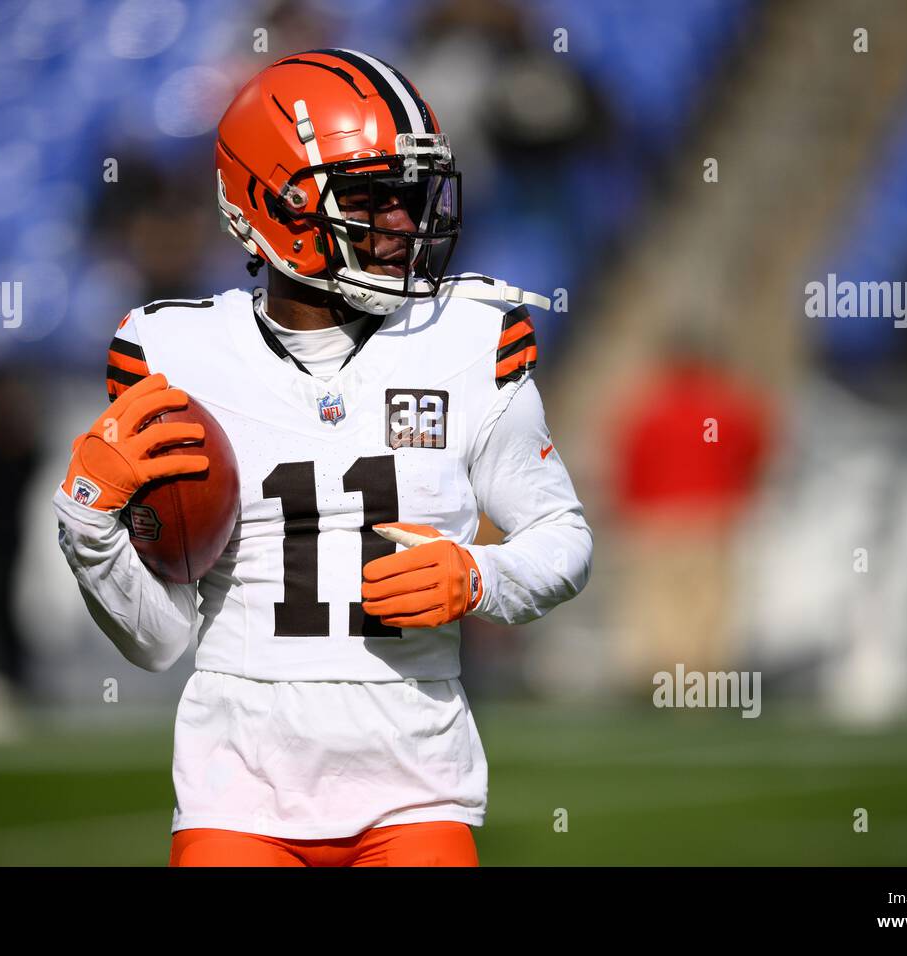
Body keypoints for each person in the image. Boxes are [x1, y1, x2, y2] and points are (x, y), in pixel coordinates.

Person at [53, 49, 592, 867]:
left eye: (412, 200)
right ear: (272, 206)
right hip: (237, 788)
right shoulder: (174, 352)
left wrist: (479, 576)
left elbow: (563, 537)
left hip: (416, 780)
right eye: (373, 201)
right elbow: (159, 640)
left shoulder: (468, 338)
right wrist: (87, 520)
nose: (405, 227)